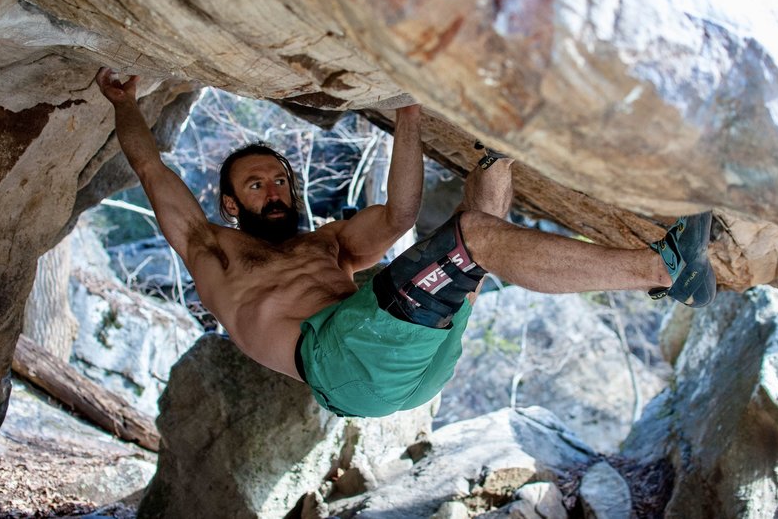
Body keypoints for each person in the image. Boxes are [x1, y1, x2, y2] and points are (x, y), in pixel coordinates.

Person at [96, 68, 715, 418]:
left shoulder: (328, 243)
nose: (274, 190)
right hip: (346, 363)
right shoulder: (213, 249)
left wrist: (410, 110)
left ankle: (499, 148)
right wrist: (125, 102)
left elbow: (400, 215)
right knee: (471, 240)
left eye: (280, 179)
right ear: (230, 203)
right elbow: (153, 171)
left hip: (413, 362)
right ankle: (665, 268)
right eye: (256, 185)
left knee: (481, 209)